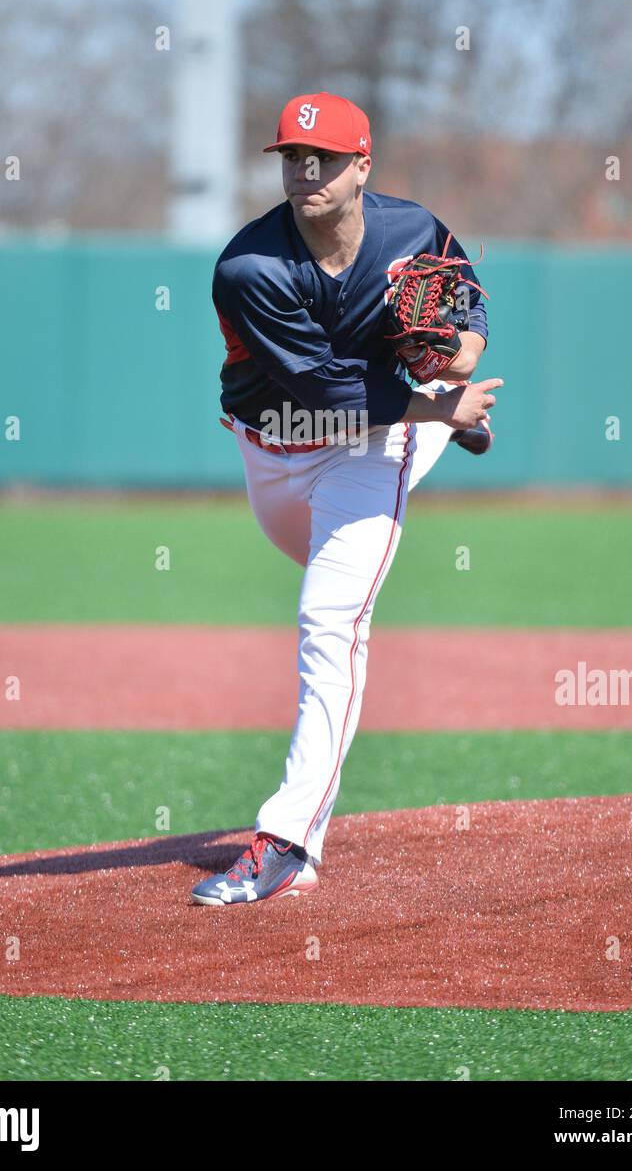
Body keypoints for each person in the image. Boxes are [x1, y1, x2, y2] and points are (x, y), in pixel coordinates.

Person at [191, 92, 503, 905]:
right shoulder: (249, 266)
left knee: (330, 621)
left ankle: (288, 839)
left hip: (370, 451)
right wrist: (442, 404)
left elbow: (466, 303)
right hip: (276, 448)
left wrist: (459, 356)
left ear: (361, 164)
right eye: (292, 156)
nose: (304, 171)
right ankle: (444, 428)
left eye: (323, 157)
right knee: (408, 422)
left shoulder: (412, 231)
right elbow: (324, 388)